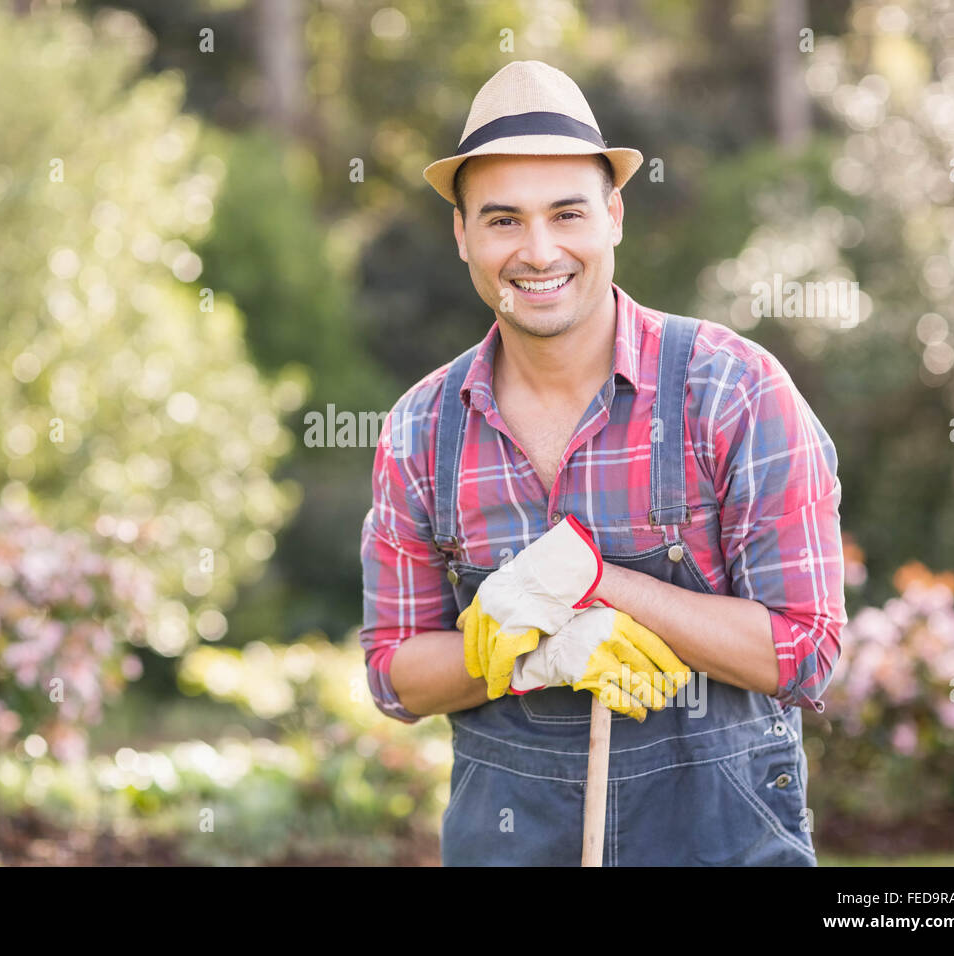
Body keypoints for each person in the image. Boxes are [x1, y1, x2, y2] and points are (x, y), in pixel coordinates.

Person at [359, 60, 846, 865]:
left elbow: (801, 650)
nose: (539, 251)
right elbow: (395, 673)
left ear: (614, 215)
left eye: (567, 213)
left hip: (719, 845)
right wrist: (537, 657)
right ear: (462, 235)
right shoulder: (422, 428)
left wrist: (593, 584)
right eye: (504, 220)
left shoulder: (731, 390)